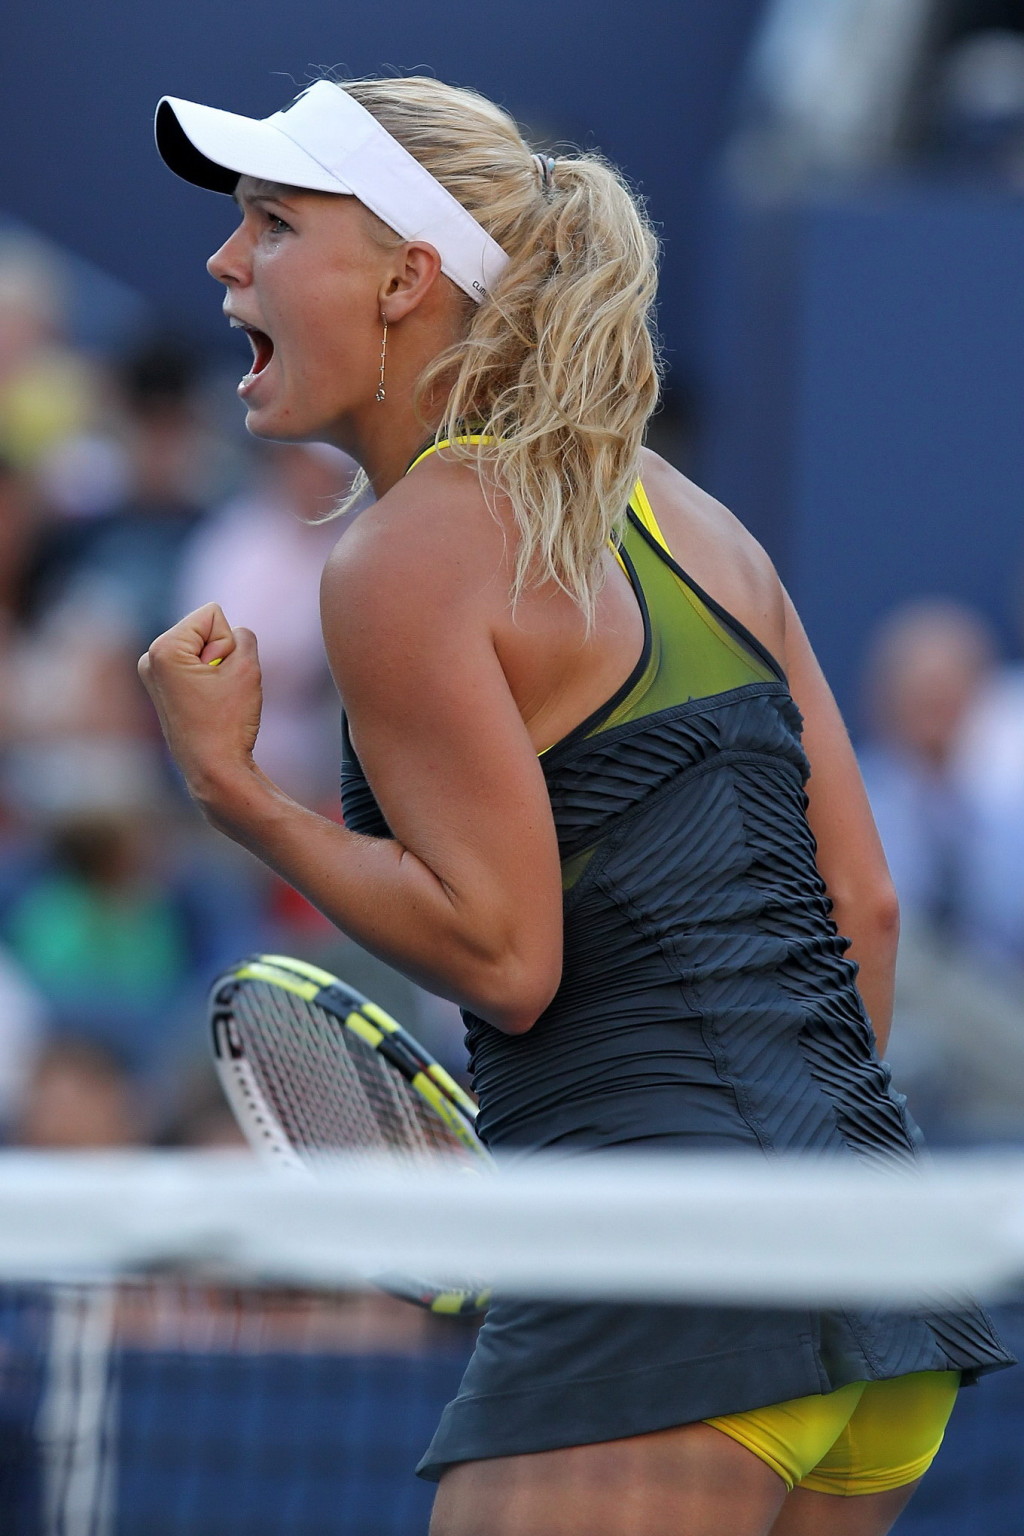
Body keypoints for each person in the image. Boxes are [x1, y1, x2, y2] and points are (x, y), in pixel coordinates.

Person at [141, 75, 1012, 1536]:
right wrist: (768, 1188)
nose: (228, 264)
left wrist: (238, 792)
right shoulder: (696, 521)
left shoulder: (406, 555)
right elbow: (864, 903)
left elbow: (502, 953)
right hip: (871, 1268)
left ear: (407, 279)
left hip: (665, 1289)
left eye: (273, 225)